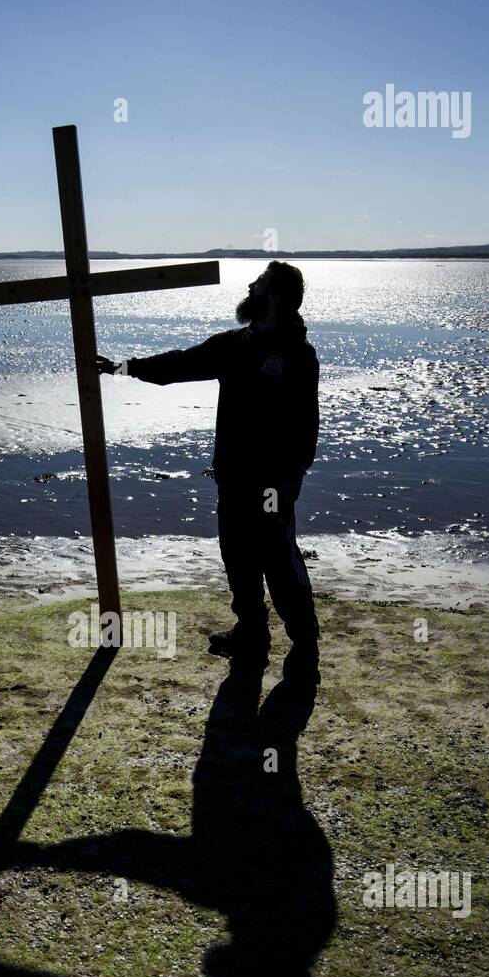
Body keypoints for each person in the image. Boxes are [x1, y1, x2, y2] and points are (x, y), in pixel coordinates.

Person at [97, 260, 320, 676]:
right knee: (238, 557)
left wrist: (293, 476)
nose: (250, 285)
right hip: (234, 476)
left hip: (274, 483)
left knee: (279, 559)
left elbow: (307, 423)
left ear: (273, 296)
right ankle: (251, 634)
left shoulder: (298, 354)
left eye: (260, 283)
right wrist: (121, 367)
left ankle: (305, 639)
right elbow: (178, 365)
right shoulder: (235, 345)